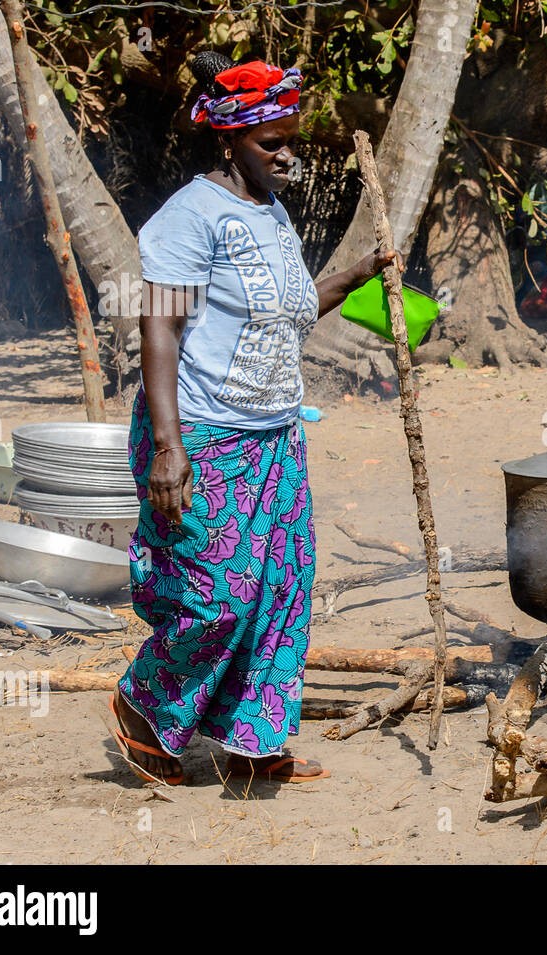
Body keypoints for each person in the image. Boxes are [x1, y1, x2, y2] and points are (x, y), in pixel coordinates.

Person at [109, 52, 400, 786]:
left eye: (291, 137)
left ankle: (251, 739)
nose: (287, 153)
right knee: (218, 594)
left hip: (276, 435)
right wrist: (169, 448)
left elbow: (295, 308)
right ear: (229, 139)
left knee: (281, 588)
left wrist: (362, 271)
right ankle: (145, 707)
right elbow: (161, 331)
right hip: (203, 436)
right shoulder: (191, 215)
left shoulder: (271, 215)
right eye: (272, 141)